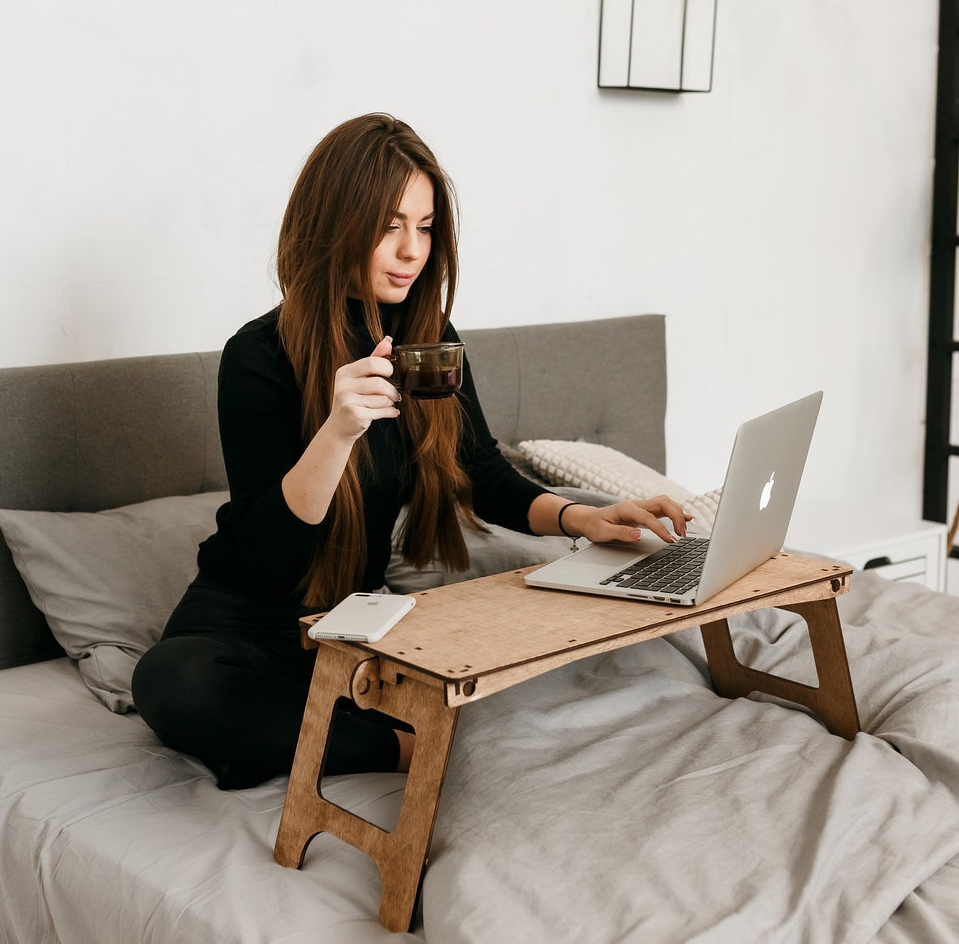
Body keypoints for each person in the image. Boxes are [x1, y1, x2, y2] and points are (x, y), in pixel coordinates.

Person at [131, 113, 691, 790]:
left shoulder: (428, 339)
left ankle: (286, 740)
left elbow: (480, 470)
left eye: (425, 228)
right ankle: (394, 750)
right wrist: (338, 432)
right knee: (171, 683)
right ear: (334, 223)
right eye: (389, 226)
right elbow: (270, 553)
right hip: (242, 624)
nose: (411, 251)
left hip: (346, 626)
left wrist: (580, 518)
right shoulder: (259, 354)